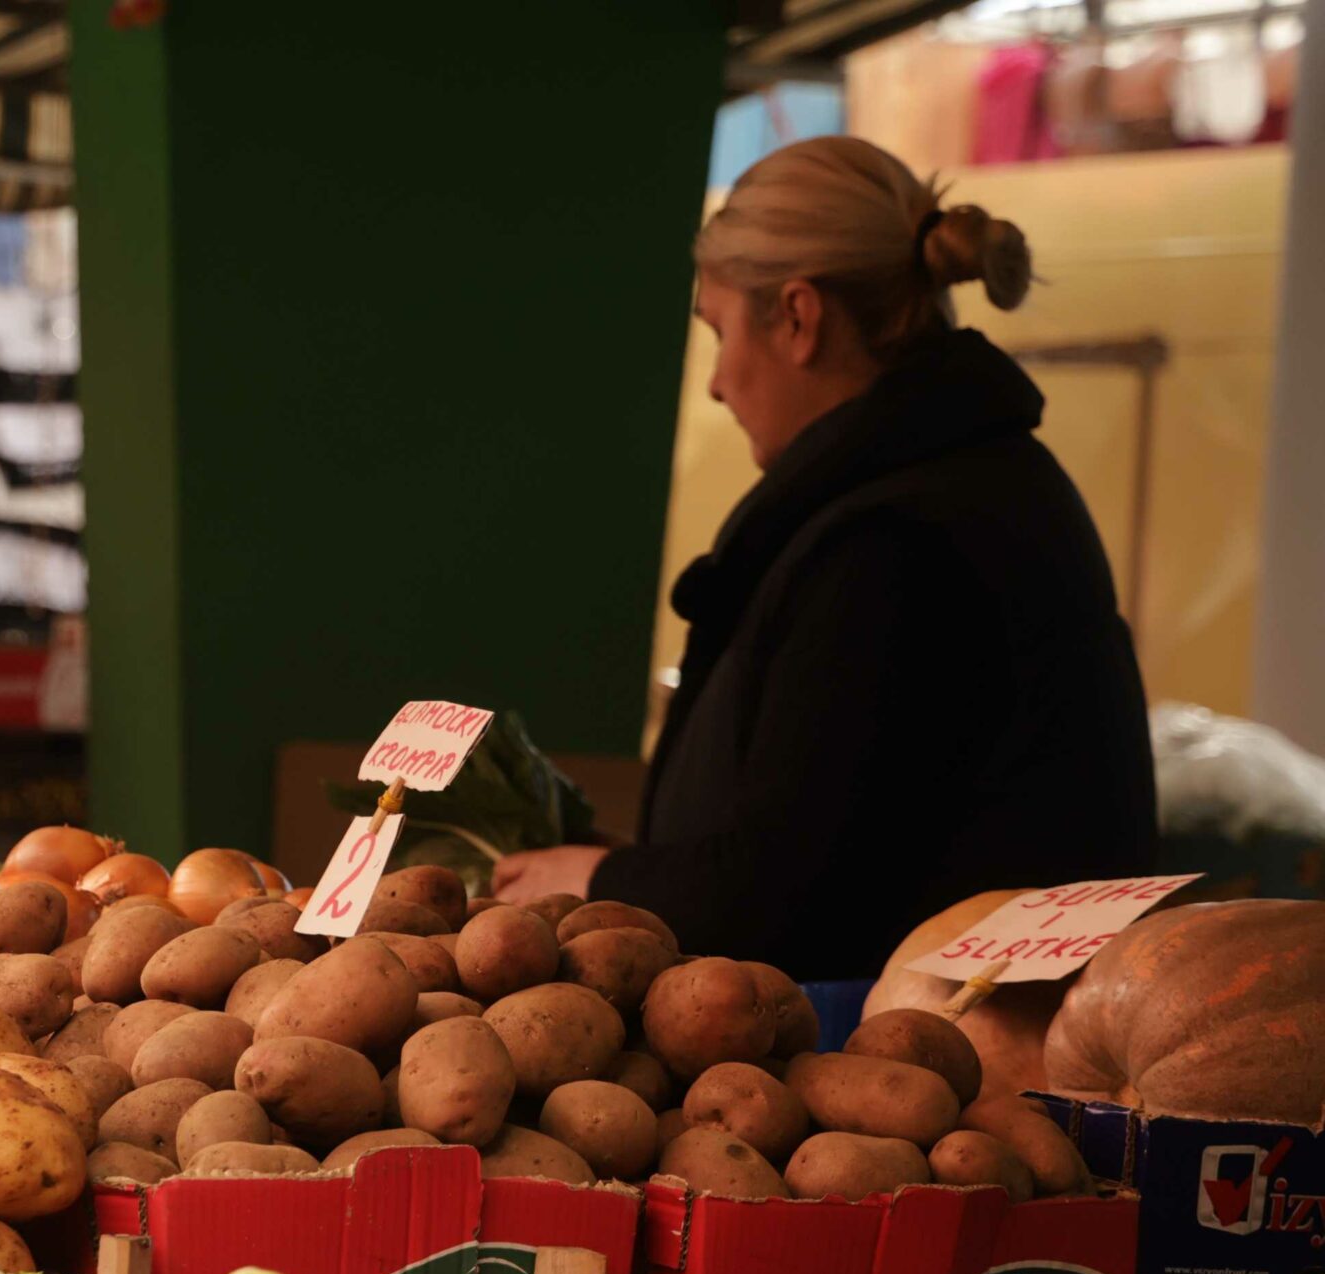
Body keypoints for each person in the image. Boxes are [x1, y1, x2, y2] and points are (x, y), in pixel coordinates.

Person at [493, 137, 1155, 978]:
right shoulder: (972, 484)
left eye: (720, 328)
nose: (717, 383)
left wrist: (600, 876)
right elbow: (846, 833)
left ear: (799, 319)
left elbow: (786, 901)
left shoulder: (897, 545)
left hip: (938, 1068)